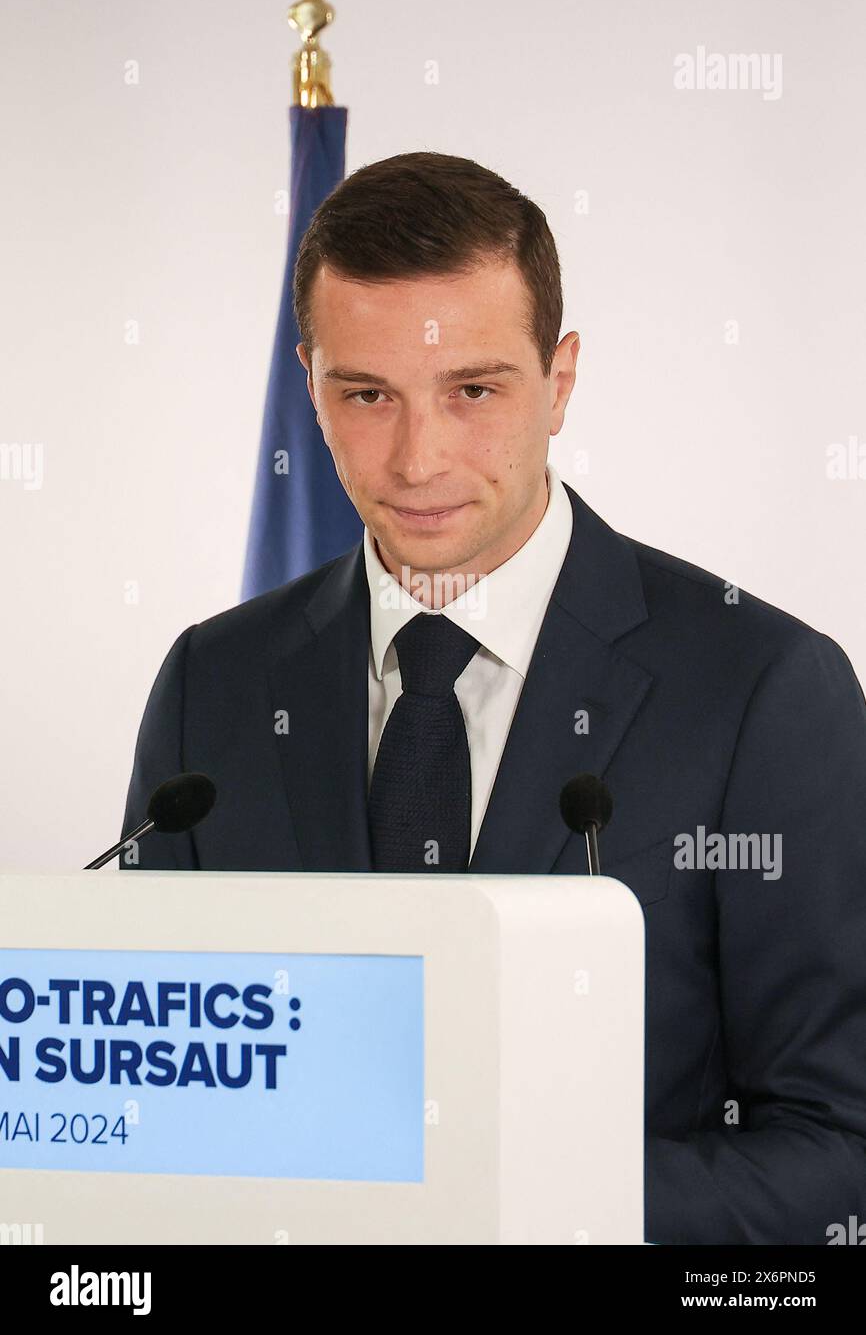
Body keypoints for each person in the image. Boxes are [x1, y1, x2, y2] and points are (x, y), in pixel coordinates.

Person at [122, 151, 866, 1245]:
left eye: (472, 390)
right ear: (308, 385)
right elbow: (153, 1088)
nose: (417, 458)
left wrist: (498, 1206)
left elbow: (836, 1149)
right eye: (365, 394)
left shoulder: (763, 689)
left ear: (558, 382)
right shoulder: (211, 684)